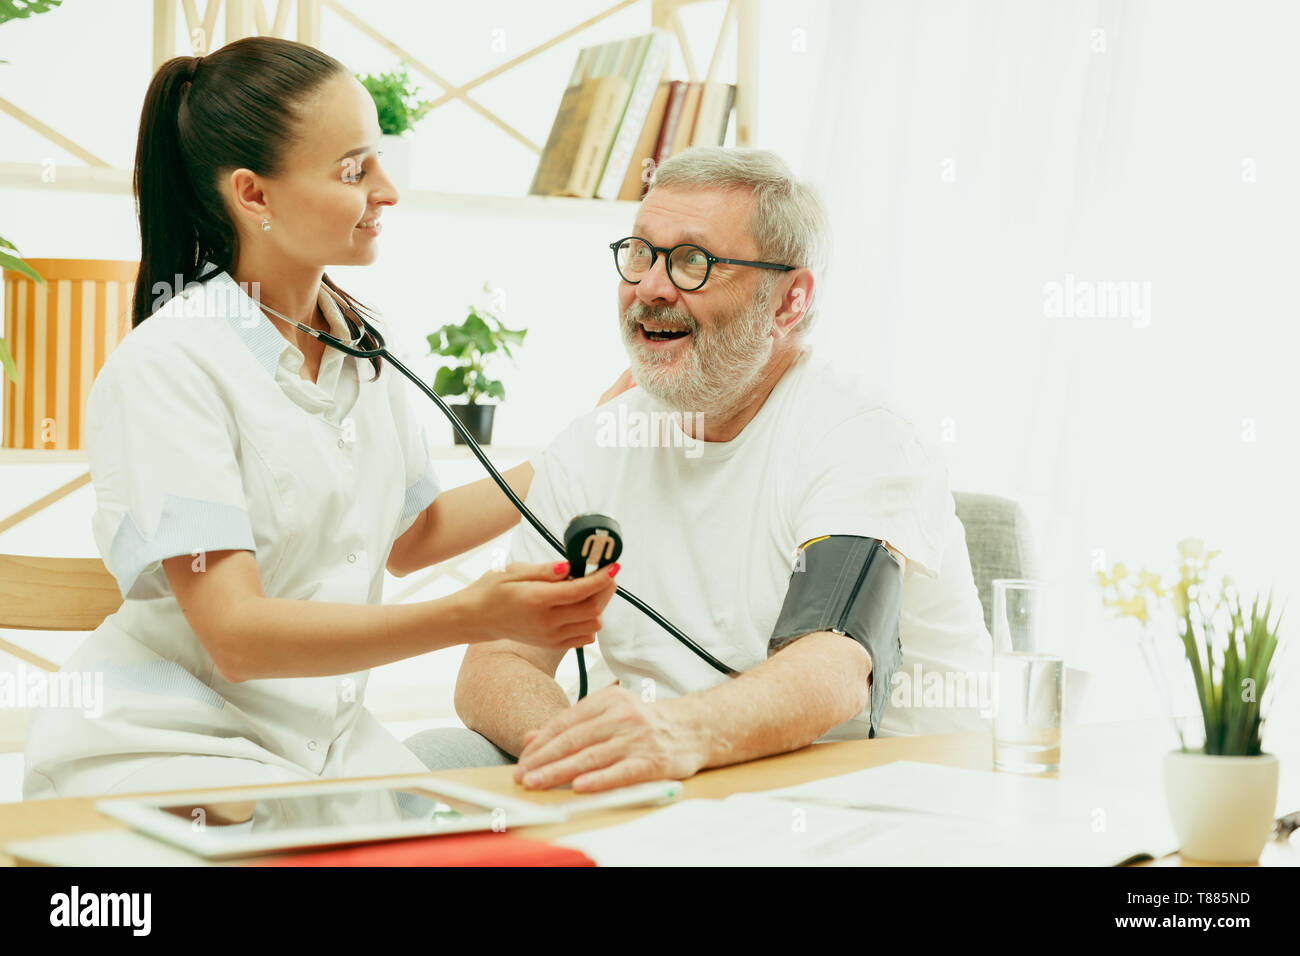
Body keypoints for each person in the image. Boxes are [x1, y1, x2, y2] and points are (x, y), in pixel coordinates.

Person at [22, 36, 621, 800]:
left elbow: (413, 535)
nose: (387, 192)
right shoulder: (171, 366)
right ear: (254, 196)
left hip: (325, 752)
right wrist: (471, 616)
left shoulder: (357, 350)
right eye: (353, 170)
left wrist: (587, 448)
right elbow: (234, 636)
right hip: (168, 749)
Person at [407, 147, 993, 791]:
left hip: (864, 799)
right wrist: (576, 746)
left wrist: (671, 738)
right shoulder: (596, 441)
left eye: (694, 261)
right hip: (667, 787)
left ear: (788, 301)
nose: (652, 288)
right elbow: (500, 657)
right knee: (423, 764)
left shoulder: (860, 437)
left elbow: (835, 661)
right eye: (640, 253)